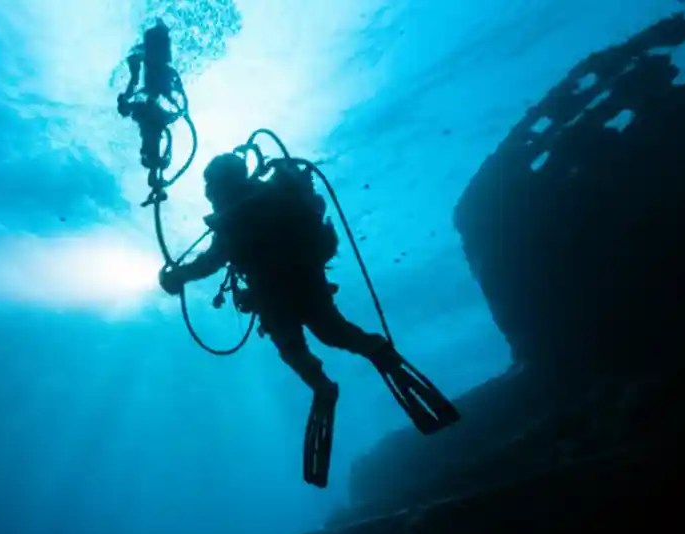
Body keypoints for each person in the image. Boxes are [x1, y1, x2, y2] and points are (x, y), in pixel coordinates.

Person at [158, 154, 459, 484]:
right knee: (332, 333)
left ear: (221, 183)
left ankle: (324, 385)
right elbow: (220, 255)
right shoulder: (273, 195)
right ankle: (375, 353)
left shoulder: (236, 216)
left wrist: (179, 277)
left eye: (211, 185)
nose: (210, 193)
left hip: (276, 293)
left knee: (295, 347)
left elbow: (212, 261)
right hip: (302, 282)